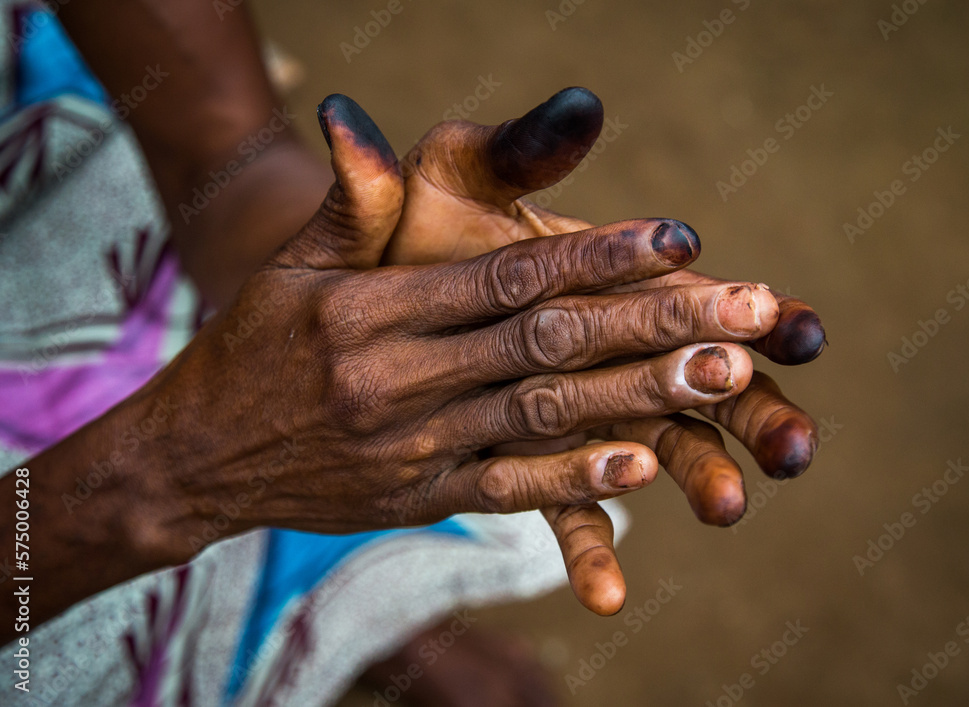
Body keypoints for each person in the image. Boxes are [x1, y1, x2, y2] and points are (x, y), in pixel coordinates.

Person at [0, 1, 825, 704]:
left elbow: (222, 148)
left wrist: (376, 274)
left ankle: (356, 620)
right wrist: (178, 475)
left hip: (43, 163)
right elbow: (177, 466)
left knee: (380, 402)